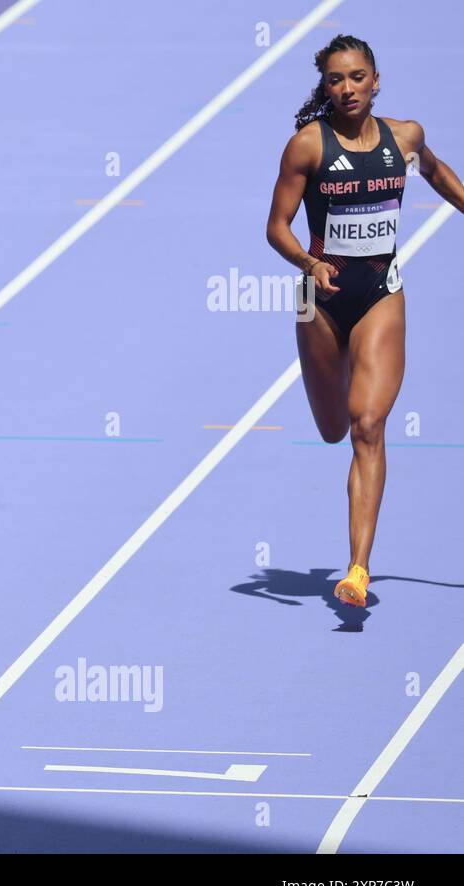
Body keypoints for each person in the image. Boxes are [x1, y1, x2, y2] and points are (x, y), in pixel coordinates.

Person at [266, 34, 464, 606]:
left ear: (376, 81)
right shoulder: (306, 146)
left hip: (380, 291)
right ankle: (345, 374)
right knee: (332, 428)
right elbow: (275, 226)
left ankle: (357, 570)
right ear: (324, 87)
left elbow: (434, 169)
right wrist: (309, 262)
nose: (347, 88)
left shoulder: (405, 137)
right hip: (317, 297)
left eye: (357, 77)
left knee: (367, 427)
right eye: (335, 79)